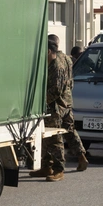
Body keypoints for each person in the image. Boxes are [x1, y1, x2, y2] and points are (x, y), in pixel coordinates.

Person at [30, 38, 67, 181]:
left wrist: (42, 101)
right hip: (47, 108)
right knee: (45, 139)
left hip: (55, 107)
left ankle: (59, 169)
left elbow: (57, 90)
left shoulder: (57, 66)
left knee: (56, 140)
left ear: (49, 51)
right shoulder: (48, 65)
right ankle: (47, 166)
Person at [50, 34, 88, 172]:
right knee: (70, 131)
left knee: (54, 135)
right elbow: (70, 81)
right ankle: (81, 156)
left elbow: (56, 86)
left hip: (57, 104)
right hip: (67, 101)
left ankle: (55, 166)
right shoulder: (67, 59)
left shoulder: (55, 62)